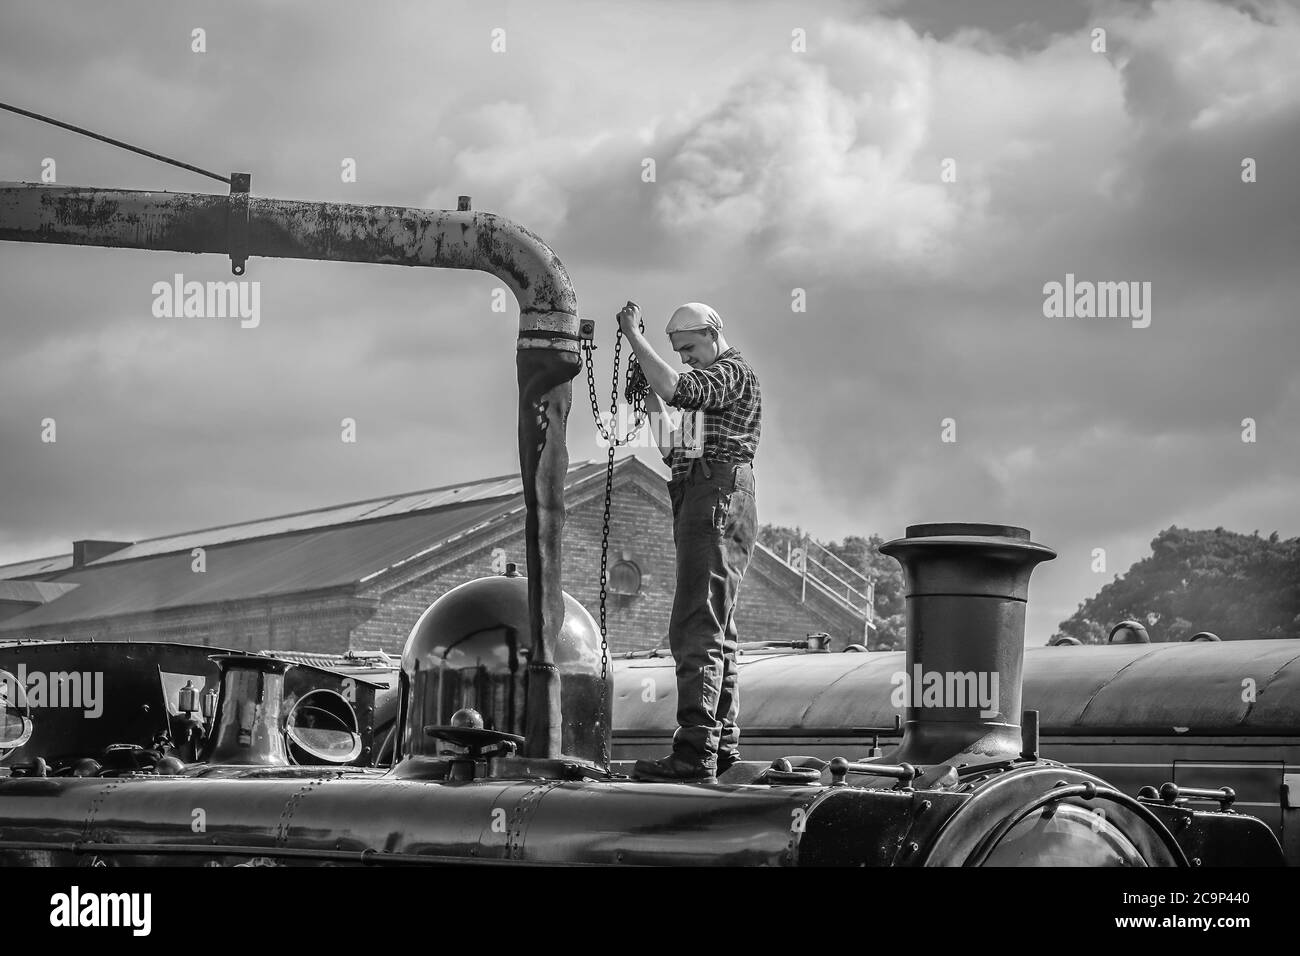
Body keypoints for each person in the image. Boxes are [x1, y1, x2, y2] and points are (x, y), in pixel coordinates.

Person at [615, 301, 761, 782]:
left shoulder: (733, 374)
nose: (686, 358)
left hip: (716, 499)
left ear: (713, 333)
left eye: (690, 347)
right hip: (706, 495)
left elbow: (681, 388)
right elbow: (673, 450)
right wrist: (648, 395)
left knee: (696, 624)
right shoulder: (711, 403)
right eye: (678, 352)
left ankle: (695, 751)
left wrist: (635, 340)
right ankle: (721, 747)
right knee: (718, 628)